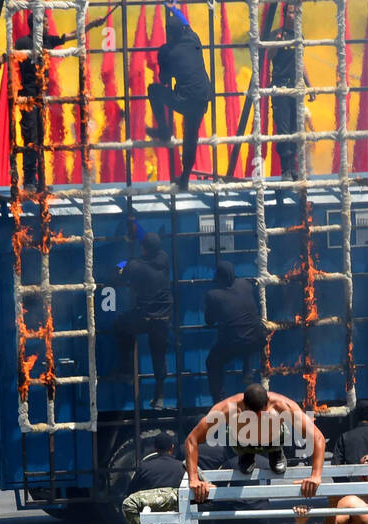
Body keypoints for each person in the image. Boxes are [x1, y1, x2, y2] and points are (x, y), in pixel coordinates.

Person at [9, 9, 113, 189]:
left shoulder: (48, 40)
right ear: (37, 26)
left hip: (42, 99)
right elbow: (7, 58)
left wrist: (91, 25)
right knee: (30, 139)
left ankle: (40, 180)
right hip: (28, 100)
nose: (49, 26)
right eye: (47, 24)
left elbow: (71, 35)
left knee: (40, 139)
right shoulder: (23, 43)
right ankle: (29, 181)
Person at [185, 383, 326, 502]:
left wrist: (316, 475)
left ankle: (275, 452)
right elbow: (192, 439)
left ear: (267, 404)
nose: (257, 418)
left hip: (273, 439)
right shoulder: (227, 408)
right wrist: (194, 479)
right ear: (244, 405)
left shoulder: (282, 405)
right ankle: (247, 454)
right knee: (242, 454)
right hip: (243, 443)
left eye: (260, 413)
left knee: (274, 435)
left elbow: (318, 437)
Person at [147, 5, 212, 191]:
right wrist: (172, 7)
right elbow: (185, 21)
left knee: (153, 91)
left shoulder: (167, 52)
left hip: (185, 99)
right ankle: (184, 179)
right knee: (191, 136)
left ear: (169, 34)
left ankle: (164, 130)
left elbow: (164, 81)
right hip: (203, 98)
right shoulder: (193, 38)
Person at [113, 232, 173, 410]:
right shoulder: (164, 258)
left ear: (144, 248)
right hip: (164, 316)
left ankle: (127, 370)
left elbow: (118, 274)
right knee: (159, 355)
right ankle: (160, 396)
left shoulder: (135, 266)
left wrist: (123, 262)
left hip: (145, 317)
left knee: (120, 325)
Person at [196, 442, 272, 524]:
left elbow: (218, 488)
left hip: (238, 512)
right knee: (258, 511)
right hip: (260, 512)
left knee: (219, 512)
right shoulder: (266, 464)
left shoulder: (230, 463)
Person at [204, 262, 267, 403]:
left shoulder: (213, 295)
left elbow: (209, 321)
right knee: (246, 333)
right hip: (258, 339)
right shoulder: (246, 285)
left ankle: (218, 400)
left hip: (236, 343)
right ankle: (247, 370)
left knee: (212, 362)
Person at [269, 5, 316, 179]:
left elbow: (301, 63)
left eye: (296, 12)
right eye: (290, 12)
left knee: (297, 128)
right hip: (280, 88)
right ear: (284, 14)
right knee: (283, 129)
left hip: (296, 88)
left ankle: (294, 168)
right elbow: (269, 55)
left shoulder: (299, 36)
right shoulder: (276, 34)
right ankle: (286, 170)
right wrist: (278, 42)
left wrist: (310, 86)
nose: (293, 15)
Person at [126, 431, 184, 496]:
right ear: (172, 447)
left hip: (151, 505)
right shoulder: (181, 467)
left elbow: (131, 492)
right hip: (176, 505)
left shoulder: (144, 467)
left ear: (155, 448)